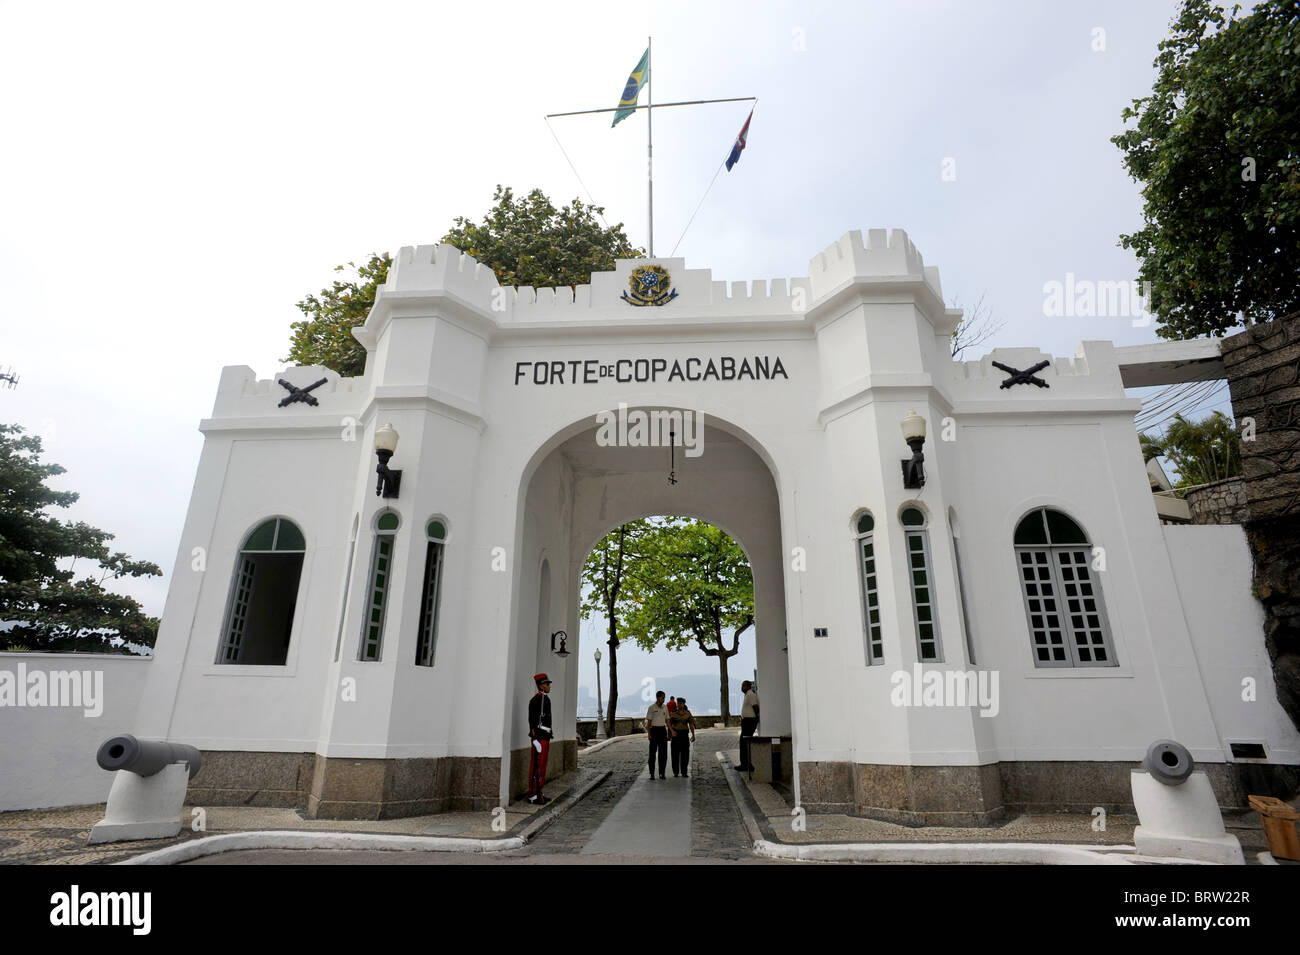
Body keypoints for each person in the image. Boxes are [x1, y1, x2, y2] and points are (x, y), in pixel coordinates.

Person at [527, 673, 553, 804]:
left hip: (545, 736)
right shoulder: (536, 700)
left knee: (542, 767)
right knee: (536, 766)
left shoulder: (545, 699)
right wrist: (535, 739)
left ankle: (539, 792)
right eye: (547, 684)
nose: (549, 686)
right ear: (541, 685)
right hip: (539, 737)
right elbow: (532, 721)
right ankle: (533, 794)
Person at [669, 696, 697, 777]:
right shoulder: (673, 713)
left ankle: (684, 772)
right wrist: (671, 732)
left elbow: (691, 724)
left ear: (684, 704)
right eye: (678, 703)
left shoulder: (687, 713)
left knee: (685, 754)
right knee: (675, 754)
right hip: (676, 735)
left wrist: (693, 735)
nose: (679, 704)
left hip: (684, 735)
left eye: (681, 703)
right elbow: (669, 724)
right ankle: (676, 772)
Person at [645, 690, 670, 779]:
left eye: (664, 697)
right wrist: (649, 734)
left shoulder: (665, 707)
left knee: (663, 753)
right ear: (658, 697)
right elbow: (649, 723)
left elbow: (667, 720)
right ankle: (652, 773)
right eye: (663, 697)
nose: (664, 699)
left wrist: (670, 731)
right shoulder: (651, 708)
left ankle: (662, 773)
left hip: (662, 730)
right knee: (652, 753)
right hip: (654, 731)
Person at [738, 679, 760, 772]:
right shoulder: (748, 695)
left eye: (743, 686)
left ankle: (745, 765)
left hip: (749, 721)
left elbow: (755, 707)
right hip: (746, 721)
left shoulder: (750, 694)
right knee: (743, 742)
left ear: (747, 686)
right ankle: (744, 764)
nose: (742, 688)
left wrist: (755, 717)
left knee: (744, 743)